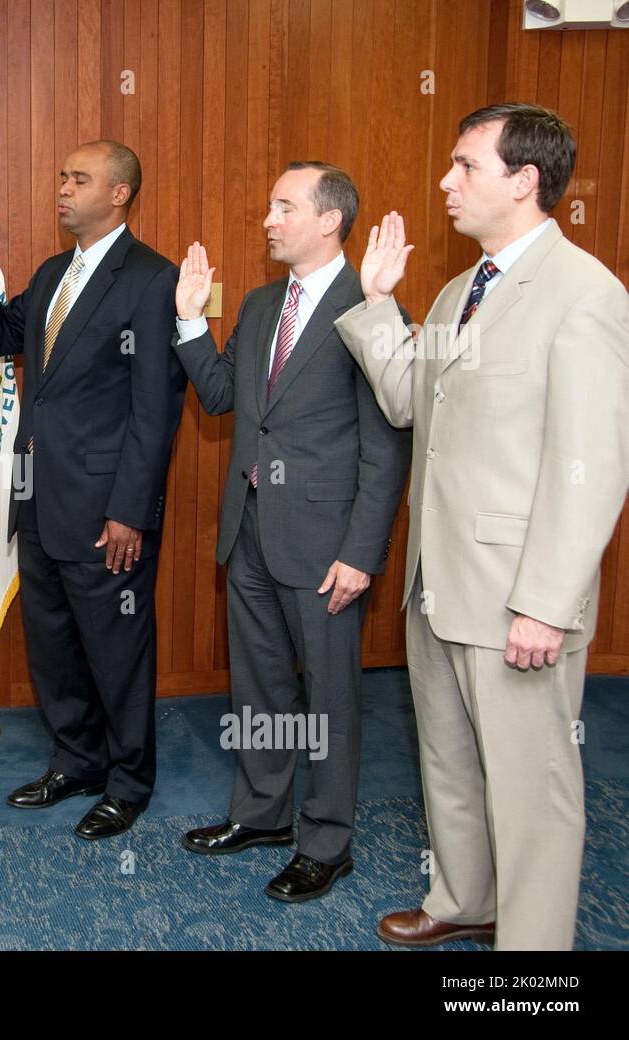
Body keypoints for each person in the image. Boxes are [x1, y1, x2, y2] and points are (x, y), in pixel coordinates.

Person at [336, 103, 629, 950]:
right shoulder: (465, 288)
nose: (446, 182)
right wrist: (379, 304)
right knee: (451, 768)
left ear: (524, 180)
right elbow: (408, 401)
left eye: (465, 166)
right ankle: (465, 899)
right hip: (441, 586)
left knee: (533, 794)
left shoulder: (586, 295)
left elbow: (594, 468)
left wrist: (546, 602)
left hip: (517, 602)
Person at [172, 163, 411, 902]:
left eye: (284, 207)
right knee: (259, 688)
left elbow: (386, 445)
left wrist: (361, 555)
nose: (269, 218)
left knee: (332, 700)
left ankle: (326, 841)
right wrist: (188, 322)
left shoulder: (371, 309)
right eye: (270, 204)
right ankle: (263, 814)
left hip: (326, 547)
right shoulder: (259, 300)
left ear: (330, 220)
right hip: (250, 535)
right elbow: (220, 399)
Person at [0, 140, 185, 839]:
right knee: (52, 645)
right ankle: (76, 760)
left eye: (79, 179)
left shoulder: (151, 279)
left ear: (119, 194)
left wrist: (129, 513)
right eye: (61, 175)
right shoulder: (55, 272)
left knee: (116, 651)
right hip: (41, 503)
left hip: (107, 513)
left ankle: (128, 781)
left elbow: (155, 408)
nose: (63, 188)